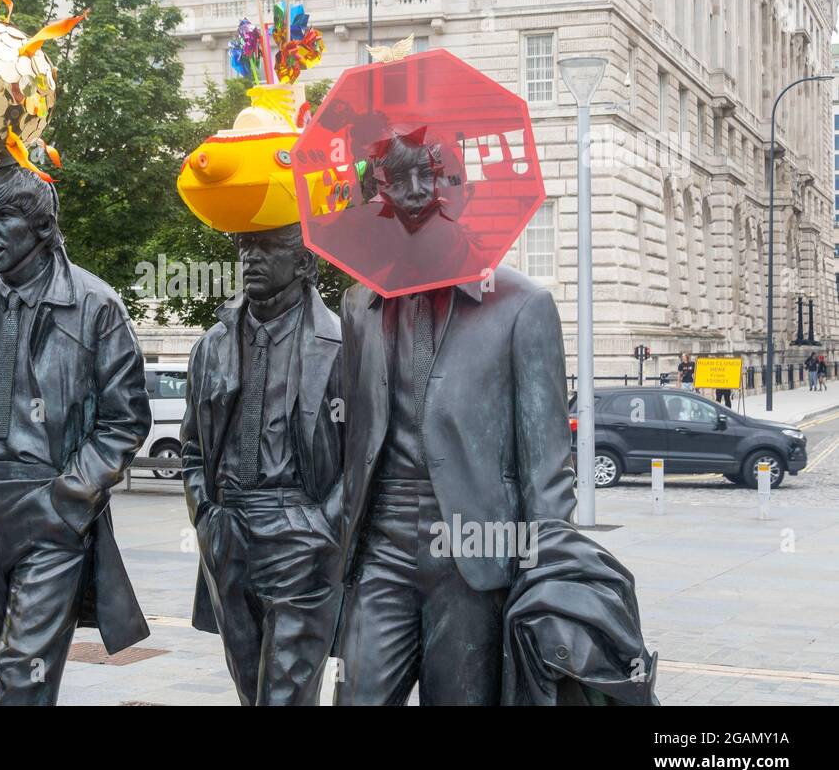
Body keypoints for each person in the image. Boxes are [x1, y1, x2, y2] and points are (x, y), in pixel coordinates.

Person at [333, 132, 577, 705]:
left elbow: (546, 468)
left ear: (459, 188)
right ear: (379, 191)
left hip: (475, 546)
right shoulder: (357, 304)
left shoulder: (521, 305)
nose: (417, 192)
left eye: (433, 175)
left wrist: (552, 573)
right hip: (381, 544)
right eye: (399, 178)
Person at [0, 164, 152, 705]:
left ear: (41, 224)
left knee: (20, 678)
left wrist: (70, 495)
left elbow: (125, 420)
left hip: (50, 508)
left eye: (2, 216)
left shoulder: (95, 305)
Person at [180, 222, 343, 706]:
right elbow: (193, 445)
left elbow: (364, 453)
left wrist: (324, 525)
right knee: (251, 690)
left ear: (305, 263)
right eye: (245, 246)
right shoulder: (212, 345)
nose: (252, 257)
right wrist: (206, 516)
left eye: (269, 247)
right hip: (228, 531)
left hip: (301, 531)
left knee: (284, 695)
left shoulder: (341, 343)